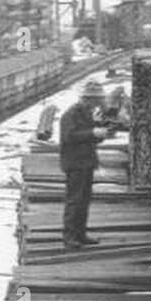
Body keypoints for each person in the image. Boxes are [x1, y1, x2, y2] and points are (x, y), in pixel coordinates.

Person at [59, 82, 115, 249]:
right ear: (87, 99)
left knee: (84, 200)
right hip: (75, 162)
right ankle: (69, 237)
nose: (99, 104)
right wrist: (93, 132)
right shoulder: (71, 114)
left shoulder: (88, 113)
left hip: (87, 161)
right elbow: (68, 137)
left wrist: (102, 132)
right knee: (74, 200)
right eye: (97, 101)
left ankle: (80, 234)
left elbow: (91, 138)